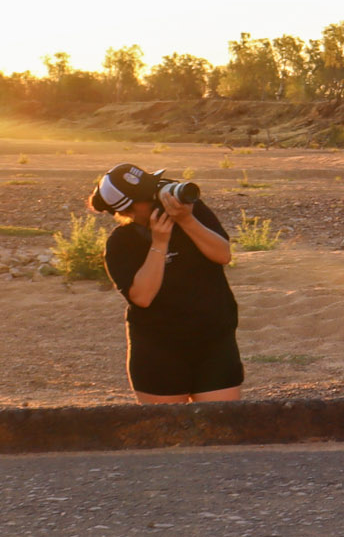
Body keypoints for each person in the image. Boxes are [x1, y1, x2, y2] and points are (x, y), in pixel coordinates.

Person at [92, 164, 243, 404]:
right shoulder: (121, 243)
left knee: (221, 428)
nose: (156, 198)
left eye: (153, 188)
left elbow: (223, 255)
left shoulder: (190, 212)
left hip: (214, 339)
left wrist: (186, 220)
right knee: (170, 435)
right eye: (146, 197)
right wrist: (159, 242)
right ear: (127, 210)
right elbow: (142, 297)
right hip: (159, 348)